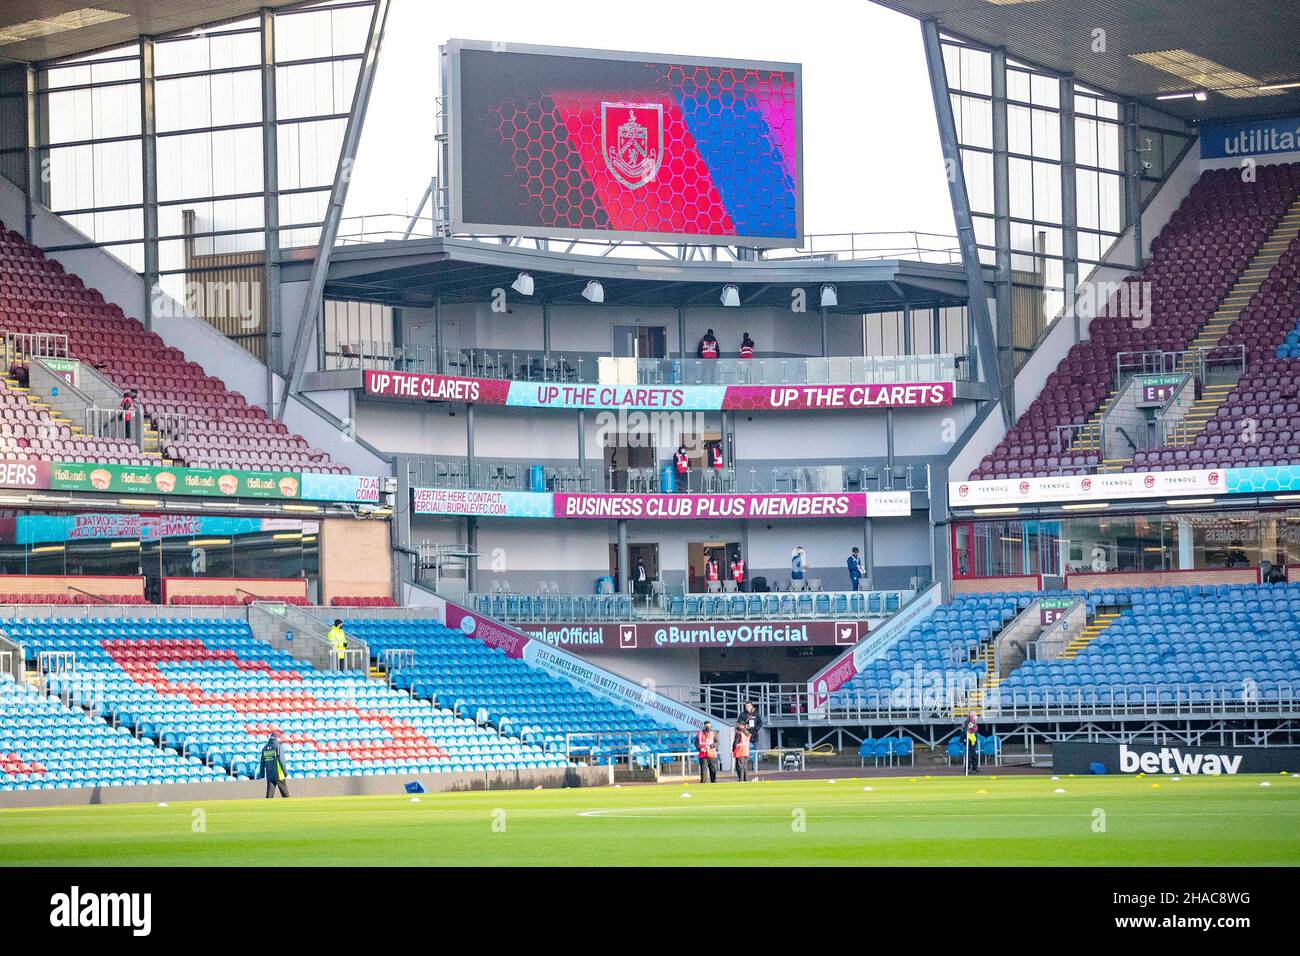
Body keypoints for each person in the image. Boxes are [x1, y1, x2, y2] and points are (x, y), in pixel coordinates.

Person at [256, 733, 289, 798]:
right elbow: (281, 760)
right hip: (279, 774)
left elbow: (262, 762)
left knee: (269, 795)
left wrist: (262, 774)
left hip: (269, 774)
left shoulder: (265, 748)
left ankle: (267, 806)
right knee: (285, 794)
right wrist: (285, 772)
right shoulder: (277, 746)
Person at [741, 701, 762, 772]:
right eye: (746, 706)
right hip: (745, 737)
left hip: (754, 736)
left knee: (754, 751)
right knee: (745, 752)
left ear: (752, 706)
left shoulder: (756, 714)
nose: (747, 708)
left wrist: (756, 729)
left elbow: (760, 723)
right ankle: (745, 768)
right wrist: (745, 726)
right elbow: (738, 724)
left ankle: (755, 767)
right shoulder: (742, 714)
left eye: (749, 706)